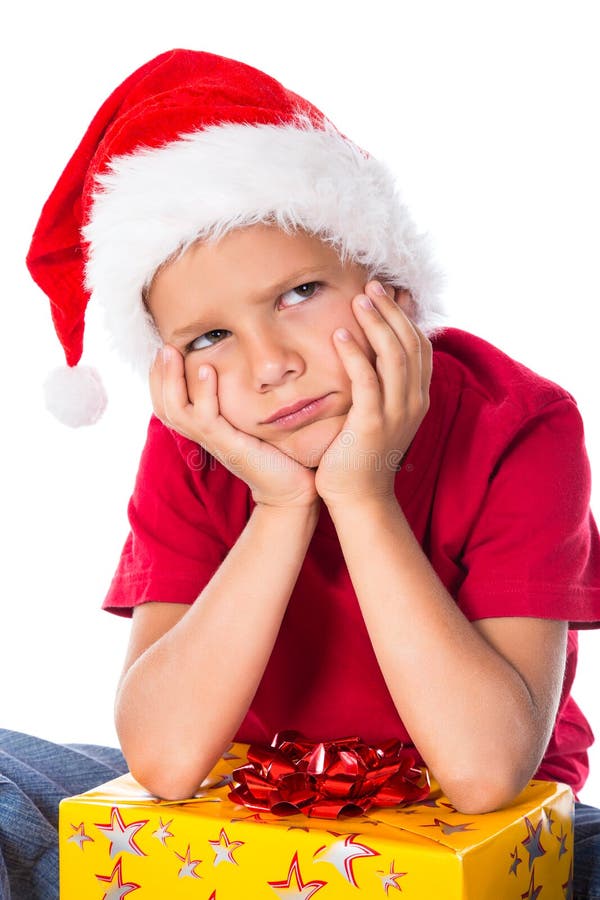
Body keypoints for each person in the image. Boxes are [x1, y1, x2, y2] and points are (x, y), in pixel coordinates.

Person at [2, 47, 598, 899]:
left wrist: (360, 493)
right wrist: (281, 504)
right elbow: (168, 762)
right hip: (241, 816)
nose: (270, 366)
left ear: (387, 283)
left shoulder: (520, 424)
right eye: (210, 338)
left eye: (298, 293)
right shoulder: (201, 440)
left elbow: (483, 773)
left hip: (475, 834)